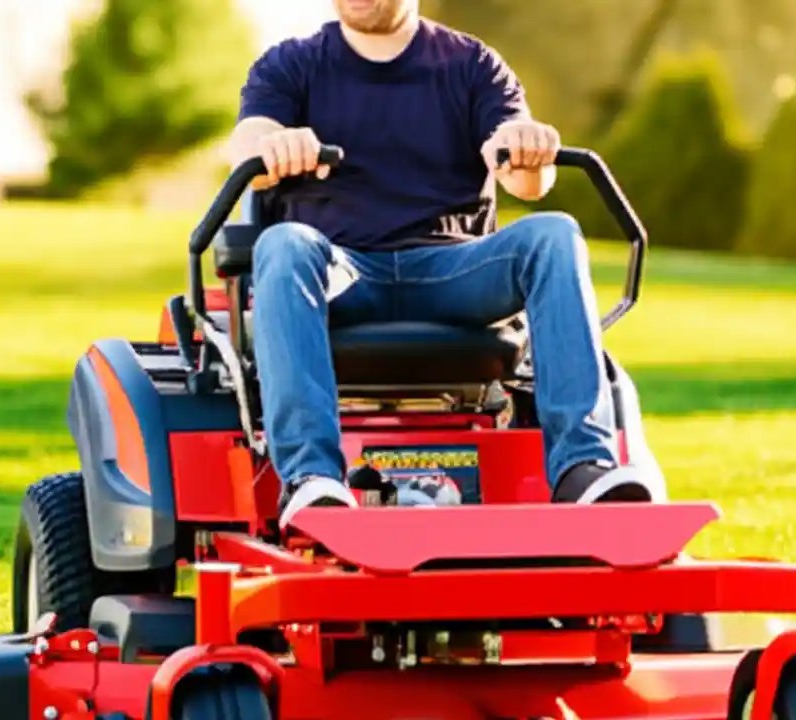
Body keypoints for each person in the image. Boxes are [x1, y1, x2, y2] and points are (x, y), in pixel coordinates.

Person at [225, 0, 660, 528]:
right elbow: (248, 147)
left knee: (554, 234)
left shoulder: (472, 65)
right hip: (340, 274)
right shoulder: (291, 64)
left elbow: (527, 180)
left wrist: (522, 145)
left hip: (453, 272)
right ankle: (311, 479)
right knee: (284, 244)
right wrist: (273, 145)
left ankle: (583, 468)